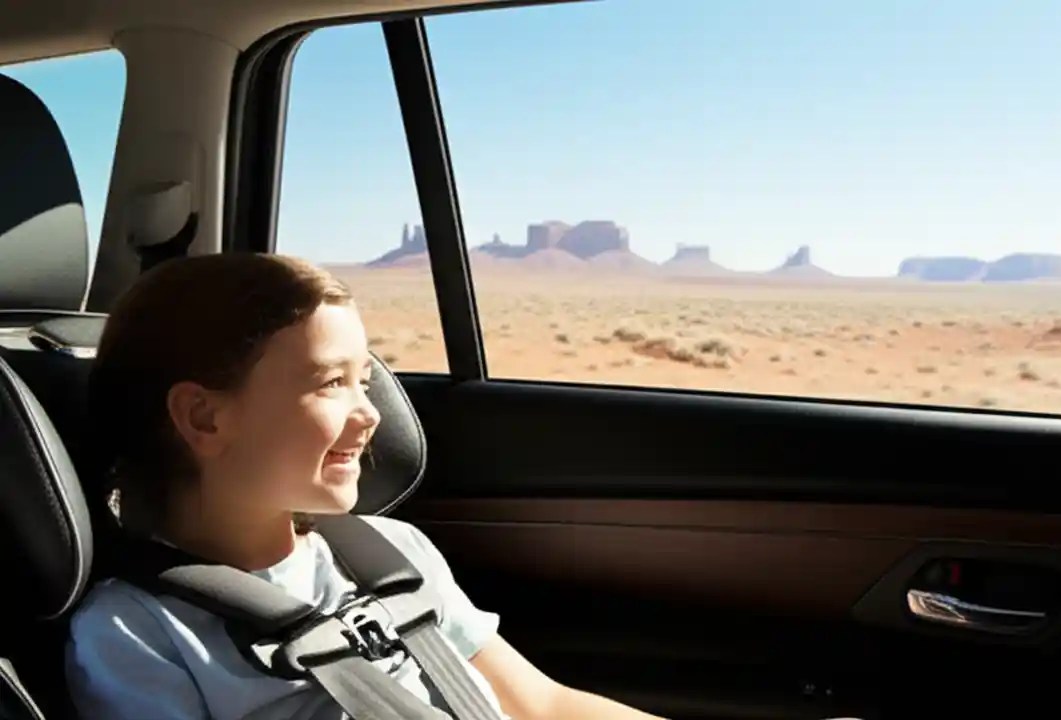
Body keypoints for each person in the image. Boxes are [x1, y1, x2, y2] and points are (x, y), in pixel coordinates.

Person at [64, 253, 664, 720]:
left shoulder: (390, 553)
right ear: (205, 418)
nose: (370, 413)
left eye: (366, 381)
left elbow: (540, 706)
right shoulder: (135, 633)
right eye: (331, 383)